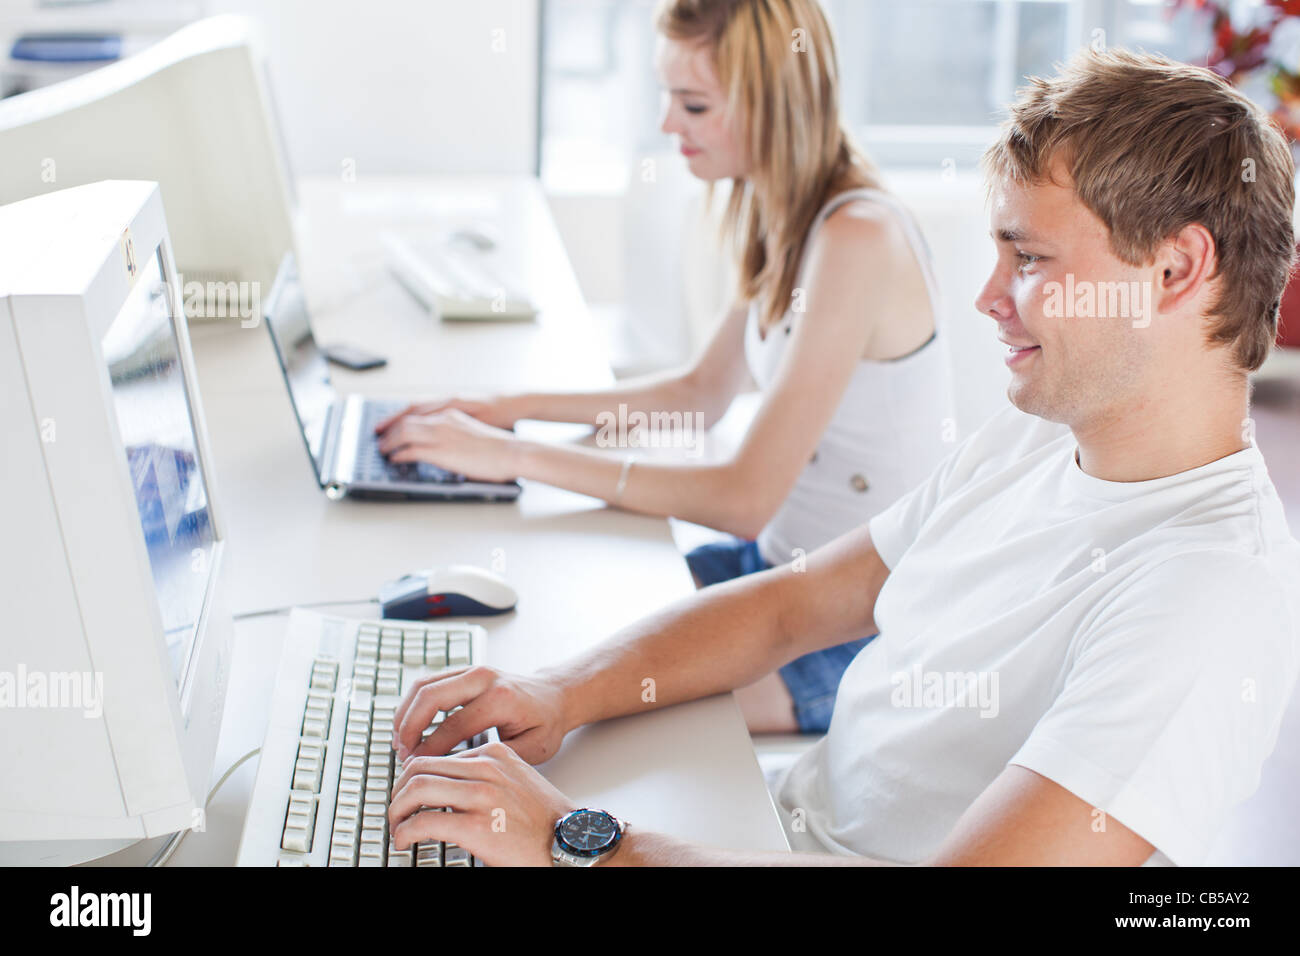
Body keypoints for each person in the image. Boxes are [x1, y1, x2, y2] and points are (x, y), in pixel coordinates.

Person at [381, 48, 1300, 867]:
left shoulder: (1209, 599)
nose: (986, 297)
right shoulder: (1039, 436)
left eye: (1028, 259)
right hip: (755, 827)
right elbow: (796, 604)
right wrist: (559, 691)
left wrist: (574, 843)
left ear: (1175, 271)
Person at [374, 0, 954, 735]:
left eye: (694, 103)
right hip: (773, 572)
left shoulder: (858, 237)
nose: (666, 124)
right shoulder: (779, 206)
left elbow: (743, 494)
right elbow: (698, 395)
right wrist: (509, 407)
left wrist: (515, 456)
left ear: (777, 106)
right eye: (667, 95)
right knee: (557, 631)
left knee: (609, 717)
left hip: (856, 629)